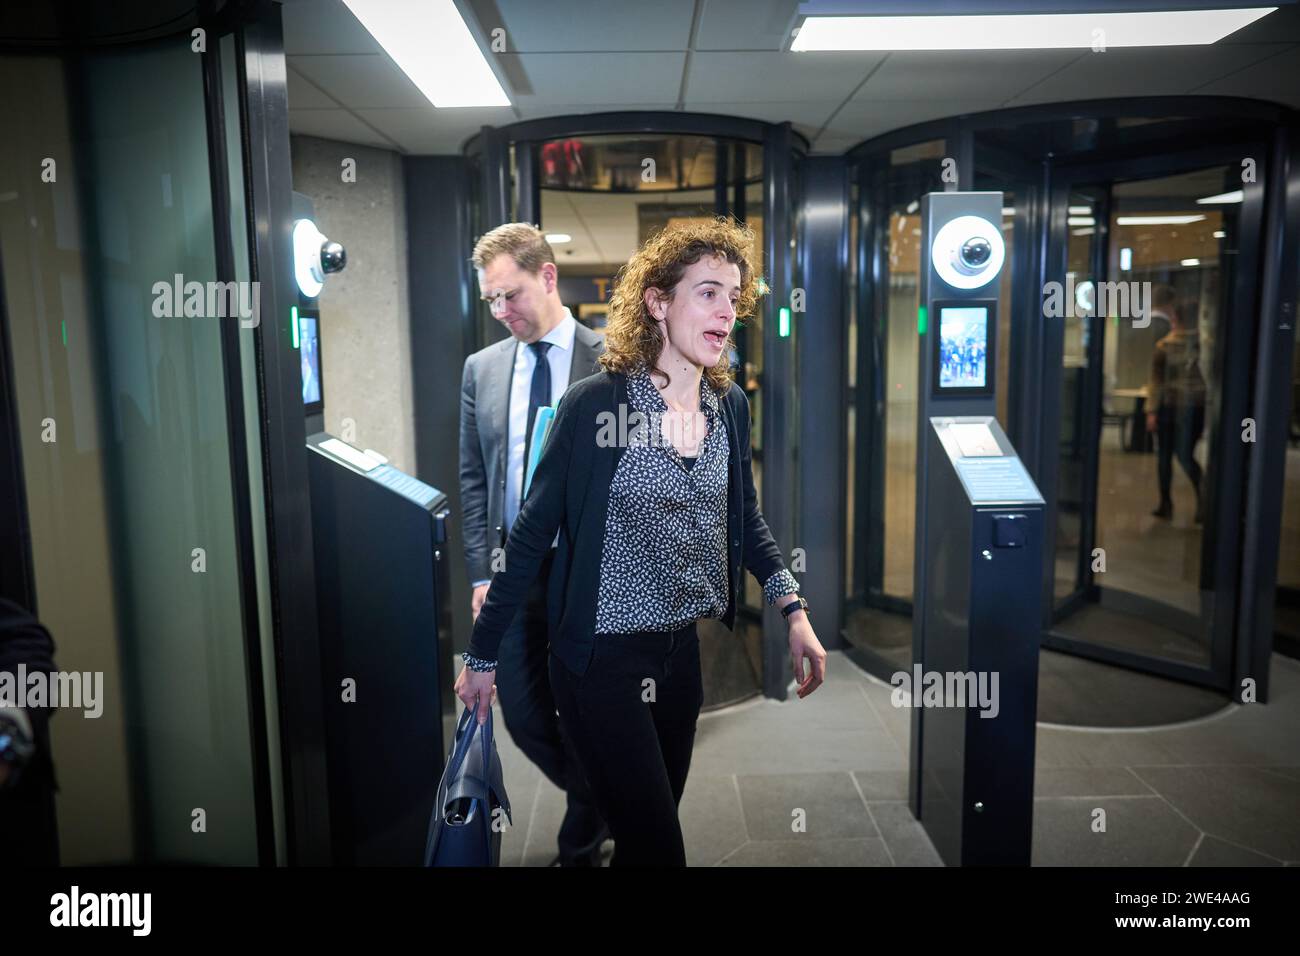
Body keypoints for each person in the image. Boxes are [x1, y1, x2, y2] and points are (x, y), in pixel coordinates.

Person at [454, 217, 827, 866]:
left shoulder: (728, 405)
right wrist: (481, 657)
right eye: (708, 292)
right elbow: (531, 536)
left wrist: (793, 611)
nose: (727, 310)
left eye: (734, 296)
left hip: (681, 657)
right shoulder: (596, 405)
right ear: (657, 302)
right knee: (660, 846)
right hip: (597, 660)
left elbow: (747, 519)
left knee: (644, 830)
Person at [458, 222, 608, 866]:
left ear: (547, 277)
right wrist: (477, 572)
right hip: (511, 571)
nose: (501, 312)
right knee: (519, 711)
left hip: (590, 576)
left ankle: (579, 844)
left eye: (510, 295)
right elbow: (472, 476)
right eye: (490, 300)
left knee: (584, 711)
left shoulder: (610, 360)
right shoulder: (482, 368)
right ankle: (609, 800)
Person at [1145, 284, 1206, 522]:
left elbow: (1156, 382)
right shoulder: (1203, 346)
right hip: (1196, 407)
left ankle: (1166, 503)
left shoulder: (1165, 346)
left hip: (1169, 407)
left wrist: (1151, 411)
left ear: (1175, 317)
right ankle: (1203, 501)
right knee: (1186, 455)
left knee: (1165, 456)